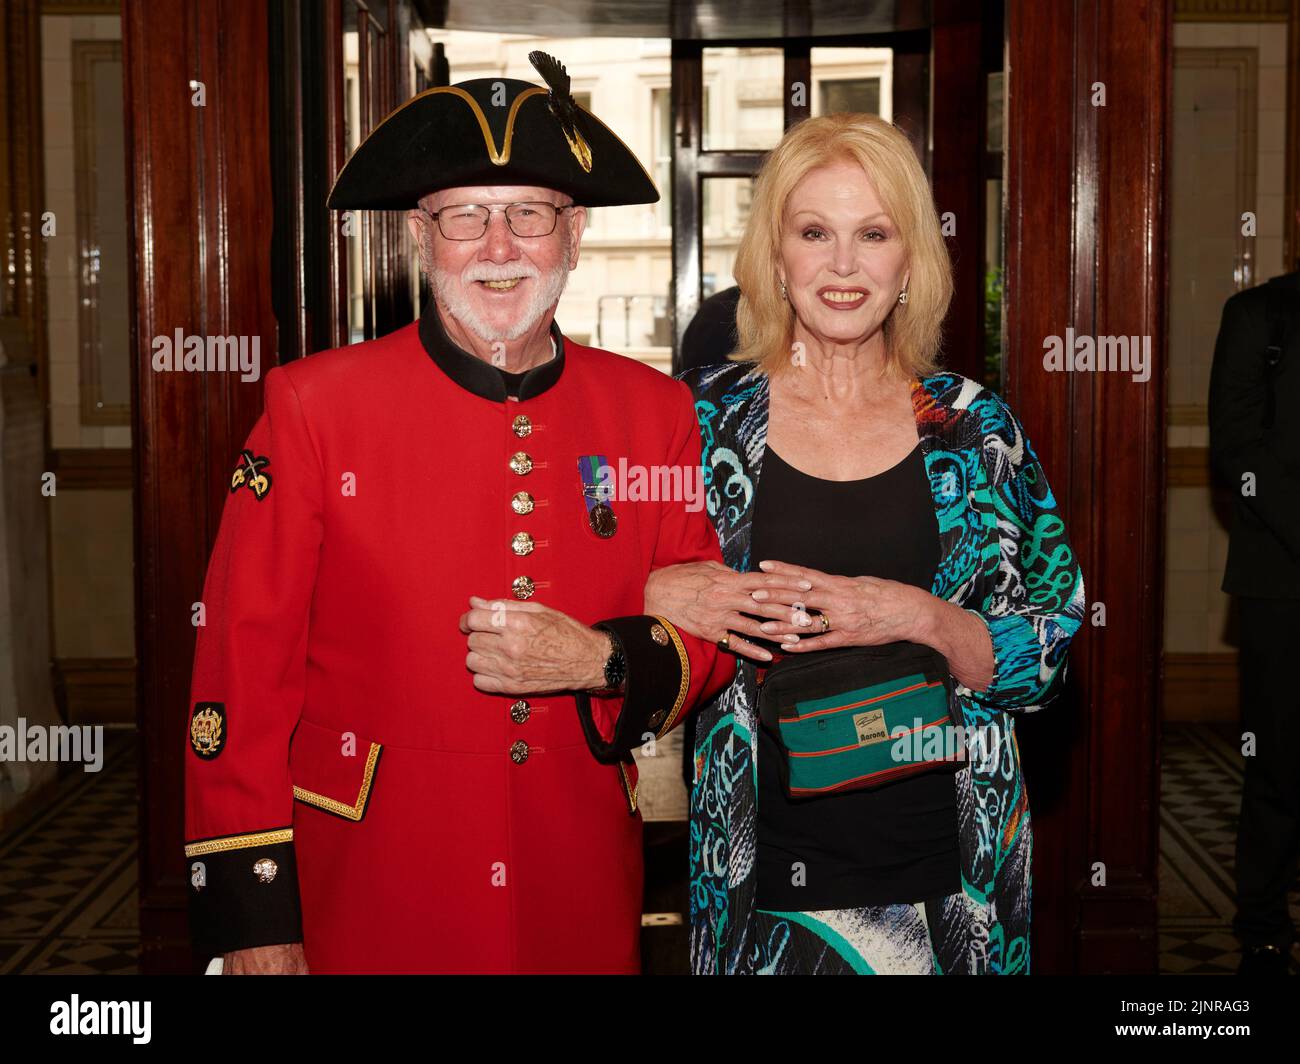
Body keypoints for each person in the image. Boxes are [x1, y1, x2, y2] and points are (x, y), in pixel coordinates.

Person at [182, 52, 734, 974]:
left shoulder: (652, 413)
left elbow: (707, 628)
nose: (499, 246)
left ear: (575, 233)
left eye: (529, 215)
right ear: (418, 235)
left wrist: (600, 660)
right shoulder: (313, 407)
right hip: (371, 885)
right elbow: (240, 670)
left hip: (578, 882)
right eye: (466, 216)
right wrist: (254, 921)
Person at [646, 113, 1086, 974]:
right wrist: (654, 590)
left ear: (911, 261)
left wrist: (920, 617)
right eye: (815, 233)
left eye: (874, 234)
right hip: (758, 875)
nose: (843, 265)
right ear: (776, 258)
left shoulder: (973, 427)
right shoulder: (698, 417)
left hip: (948, 878)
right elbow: (595, 569)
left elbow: (1052, 645)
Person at [1208, 265, 1300, 976]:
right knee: (1278, 764)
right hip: (1283, 586)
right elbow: (1239, 451)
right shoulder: (1259, 314)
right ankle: (1263, 929)